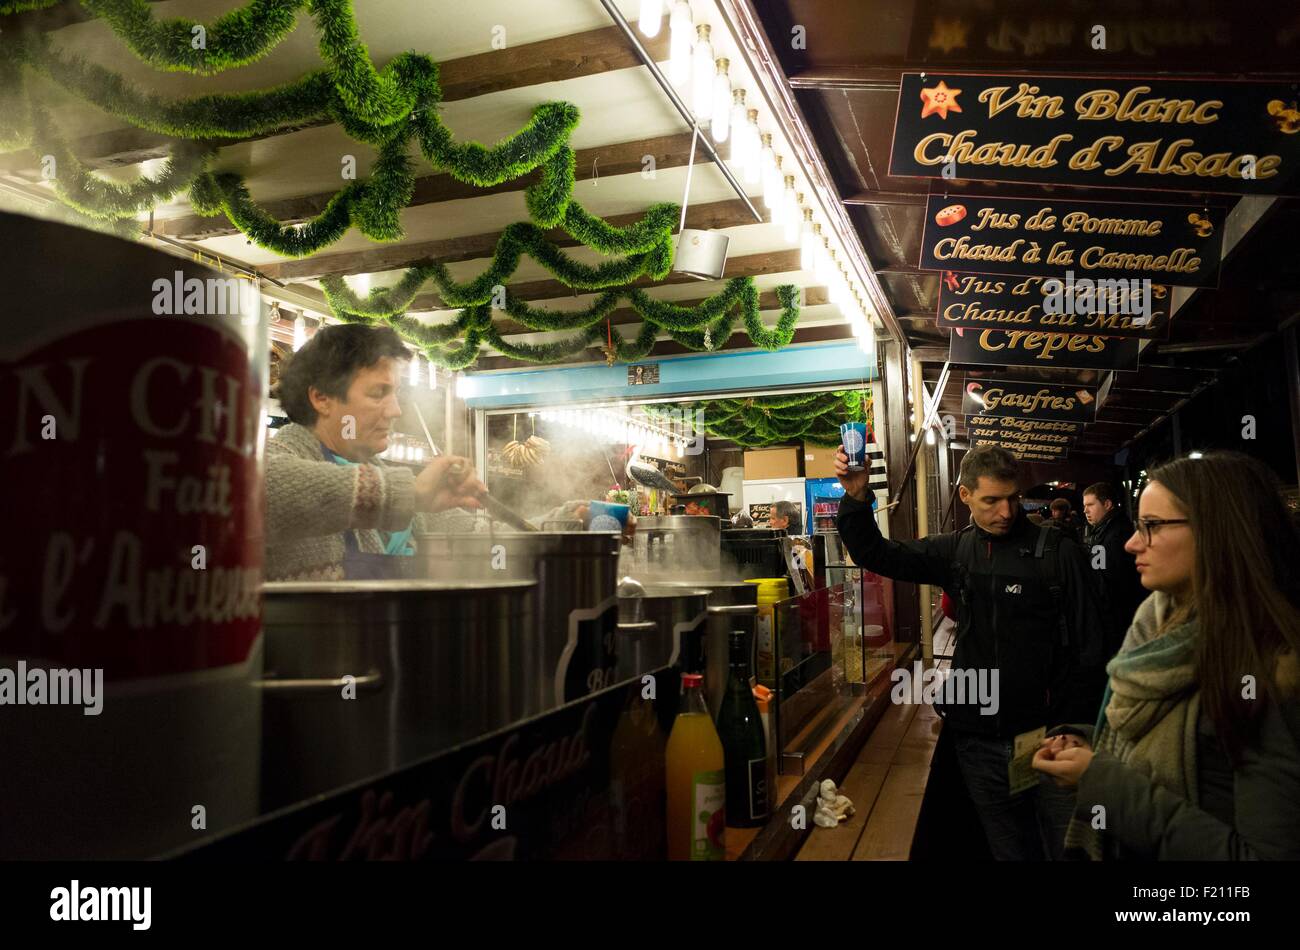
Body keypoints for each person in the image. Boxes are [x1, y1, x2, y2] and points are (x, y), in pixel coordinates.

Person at [835, 443, 1107, 860]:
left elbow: (1092, 647)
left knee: (1068, 852)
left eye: (1012, 498)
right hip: (978, 743)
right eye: (991, 500)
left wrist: (1076, 728)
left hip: (1049, 739)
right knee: (1008, 852)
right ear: (965, 496)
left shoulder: (1058, 552)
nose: (1006, 512)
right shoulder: (954, 550)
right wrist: (856, 497)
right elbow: (876, 554)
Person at [1033, 452, 1300, 860]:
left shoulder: (1269, 675)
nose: (1131, 542)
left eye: (1152, 526)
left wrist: (1101, 781)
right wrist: (1092, 742)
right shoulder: (1153, 627)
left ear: (1217, 531)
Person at [266, 324, 487, 581]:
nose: (396, 411)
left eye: (395, 393)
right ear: (322, 398)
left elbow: (479, 534)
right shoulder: (277, 458)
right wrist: (409, 493)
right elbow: (266, 488)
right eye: (378, 393)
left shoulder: (384, 475)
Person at [1081, 482, 1145, 659]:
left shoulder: (1115, 534)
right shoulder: (1103, 530)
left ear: (1107, 504)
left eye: (1090, 505)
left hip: (1115, 620)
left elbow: (1104, 579)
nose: (1085, 511)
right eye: (1084, 506)